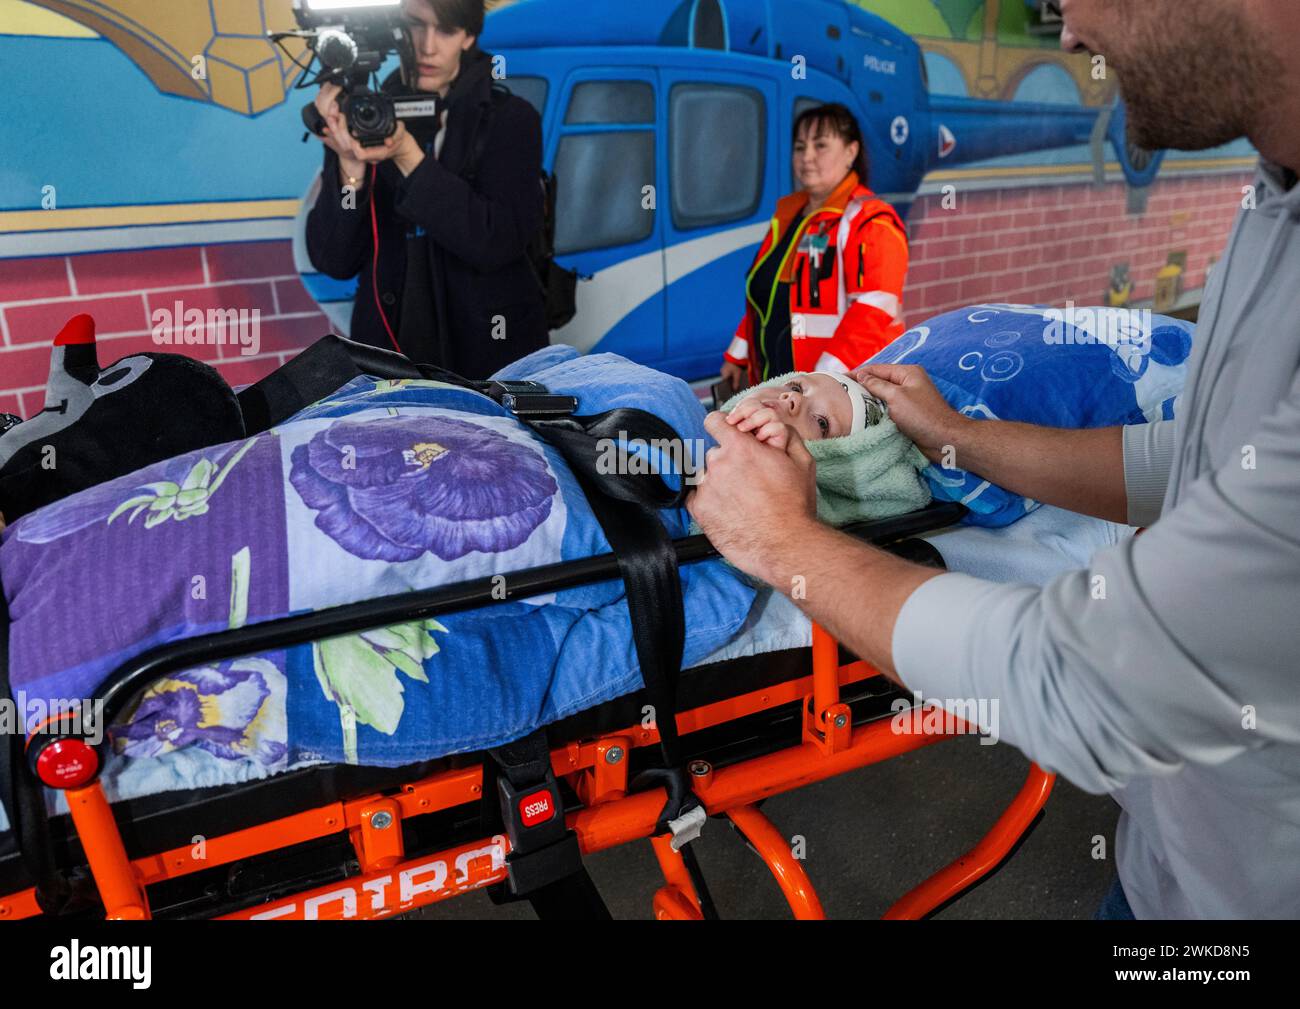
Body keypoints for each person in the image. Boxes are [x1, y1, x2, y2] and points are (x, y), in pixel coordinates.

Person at [688, 0, 1300, 919]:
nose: (1067, 36)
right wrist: (962, 439)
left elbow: (1090, 685)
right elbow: (1196, 460)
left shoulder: (869, 231)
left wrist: (786, 544)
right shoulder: (1274, 203)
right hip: (1165, 873)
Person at [305, 0, 548, 380]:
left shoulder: (511, 119)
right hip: (389, 360)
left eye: (446, 31)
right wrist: (350, 171)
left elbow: (496, 241)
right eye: (415, 26)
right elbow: (333, 260)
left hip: (490, 358)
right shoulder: (365, 118)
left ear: (468, 37)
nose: (427, 47)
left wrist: (407, 156)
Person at [719, 103, 909, 395]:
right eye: (799, 147)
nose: (807, 157)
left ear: (851, 152)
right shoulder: (788, 216)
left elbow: (872, 314)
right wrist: (738, 355)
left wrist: (819, 383)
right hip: (780, 390)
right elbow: (766, 298)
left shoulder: (871, 222)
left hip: (838, 397)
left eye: (821, 145)